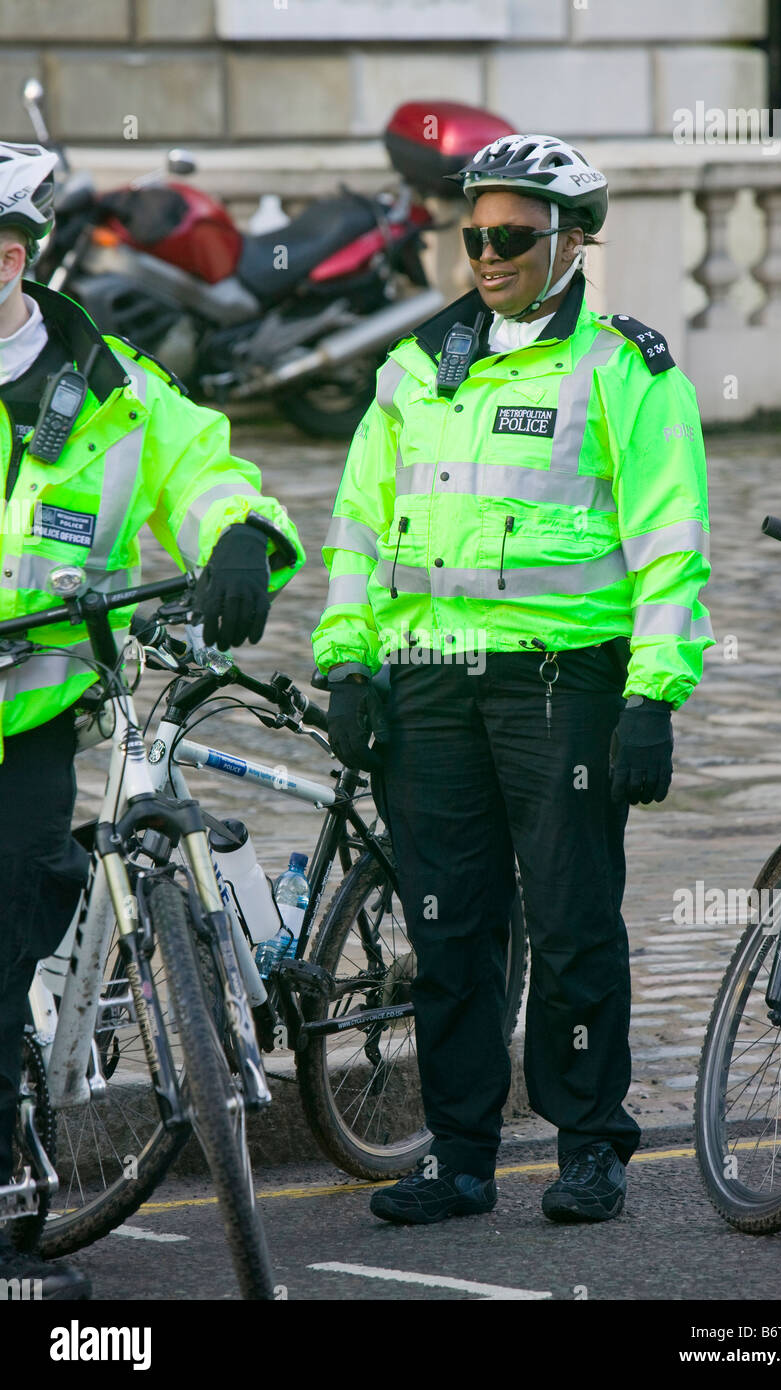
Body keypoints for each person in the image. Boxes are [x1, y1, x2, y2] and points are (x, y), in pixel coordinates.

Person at [313, 131, 712, 1227]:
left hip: (560, 687)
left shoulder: (623, 368)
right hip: (428, 687)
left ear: (571, 242)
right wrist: (349, 659)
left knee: (576, 921)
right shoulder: (412, 368)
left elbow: (673, 540)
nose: (485, 255)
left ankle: (590, 1145)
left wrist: (653, 693)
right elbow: (356, 527)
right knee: (447, 928)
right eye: (473, 234)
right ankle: (460, 1155)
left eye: (510, 237)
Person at [0, 142, 305, 1297]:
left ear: (14, 255)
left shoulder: (115, 383)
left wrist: (239, 535)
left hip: (34, 722)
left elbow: (204, 467)